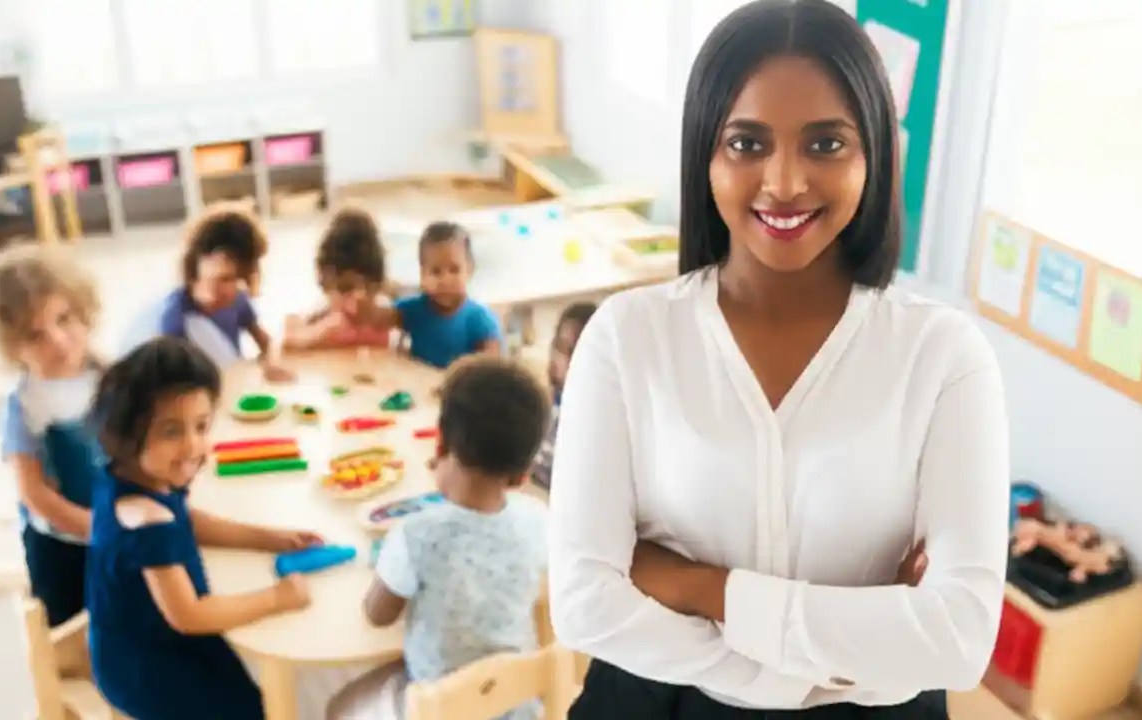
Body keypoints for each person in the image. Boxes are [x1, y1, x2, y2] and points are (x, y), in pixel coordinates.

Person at [548, 1, 1009, 718]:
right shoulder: (626, 338)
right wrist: (837, 664)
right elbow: (583, 603)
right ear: (705, 152)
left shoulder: (944, 357)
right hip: (661, 703)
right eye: (746, 143)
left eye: (825, 145)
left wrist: (699, 587)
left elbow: (958, 639)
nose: (786, 181)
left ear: (874, 157)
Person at [86, 338, 320, 720]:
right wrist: (277, 597)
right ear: (128, 433)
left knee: (253, 675)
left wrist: (270, 539)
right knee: (257, 707)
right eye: (171, 431)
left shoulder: (134, 476)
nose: (194, 446)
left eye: (201, 425)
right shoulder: (144, 516)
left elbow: (188, 521)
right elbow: (190, 615)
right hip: (147, 667)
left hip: (144, 638)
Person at [327, 356, 550, 720]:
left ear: (440, 444)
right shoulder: (538, 520)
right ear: (523, 474)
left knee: (339, 706)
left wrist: (386, 564)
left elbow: (377, 615)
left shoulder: (414, 534)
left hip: (438, 708)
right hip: (518, 705)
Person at [0, 244, 105, 626]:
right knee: (74, 631)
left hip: (117, 519)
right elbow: (35, 495)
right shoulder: (24, 408)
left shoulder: (107, 375)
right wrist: (100, 528)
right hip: (61, 547)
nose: (57, 340)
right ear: (13, 347)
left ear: (85, 311)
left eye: (64, 319)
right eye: (36, 335)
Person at [156, 206, 293, 381]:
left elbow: (266, 342)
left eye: (234, 280)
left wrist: (272, 363)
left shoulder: (238, 301)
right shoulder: (175, 317)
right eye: (220, 279)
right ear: (194, 270)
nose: (228, 290)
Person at [365, 221, 503, 369]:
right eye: (436, 271)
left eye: (454, 270)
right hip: (420, 385)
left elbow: (492, 367)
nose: (445, 280)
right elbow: (375, 317)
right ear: (422, 275)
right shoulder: (414, 310)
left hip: (461, 388)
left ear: (469, 270)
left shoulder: (480, 319)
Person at [284, 207, 394, 351]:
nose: (358, 298)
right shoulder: (323, 316)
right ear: (325, 284)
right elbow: (286, 339)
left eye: (369, 289)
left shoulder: (383, 317)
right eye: (345, 289)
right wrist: (318, 332)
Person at [529, 301, 597, 491]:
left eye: (576, 352)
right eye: (560, 348)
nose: (566, 361)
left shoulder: (599, 418)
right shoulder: (550, 402)